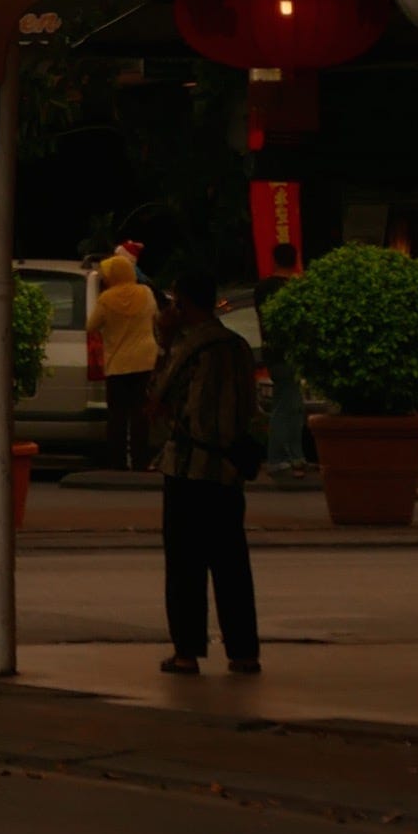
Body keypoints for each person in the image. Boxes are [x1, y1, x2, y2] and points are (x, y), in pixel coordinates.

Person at [146, 256, 264, 677]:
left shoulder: (187, 347)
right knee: (232, 563)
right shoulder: (236, 346)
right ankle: (244, 652)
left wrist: (163, 340)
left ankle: (187, 652)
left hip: (188, 469)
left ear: (182, 304)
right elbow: (250, 408)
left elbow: (158, 399)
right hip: (229, 473)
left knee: (185, 566)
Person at [90, 242, 158, 469]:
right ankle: (140, 459)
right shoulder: (146, 293)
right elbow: (156, 317)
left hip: (118, 363)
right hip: (146, 360)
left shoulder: (106, 299)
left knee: (117, 415)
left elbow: (91, 325)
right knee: (140, 413)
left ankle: (117, 461)